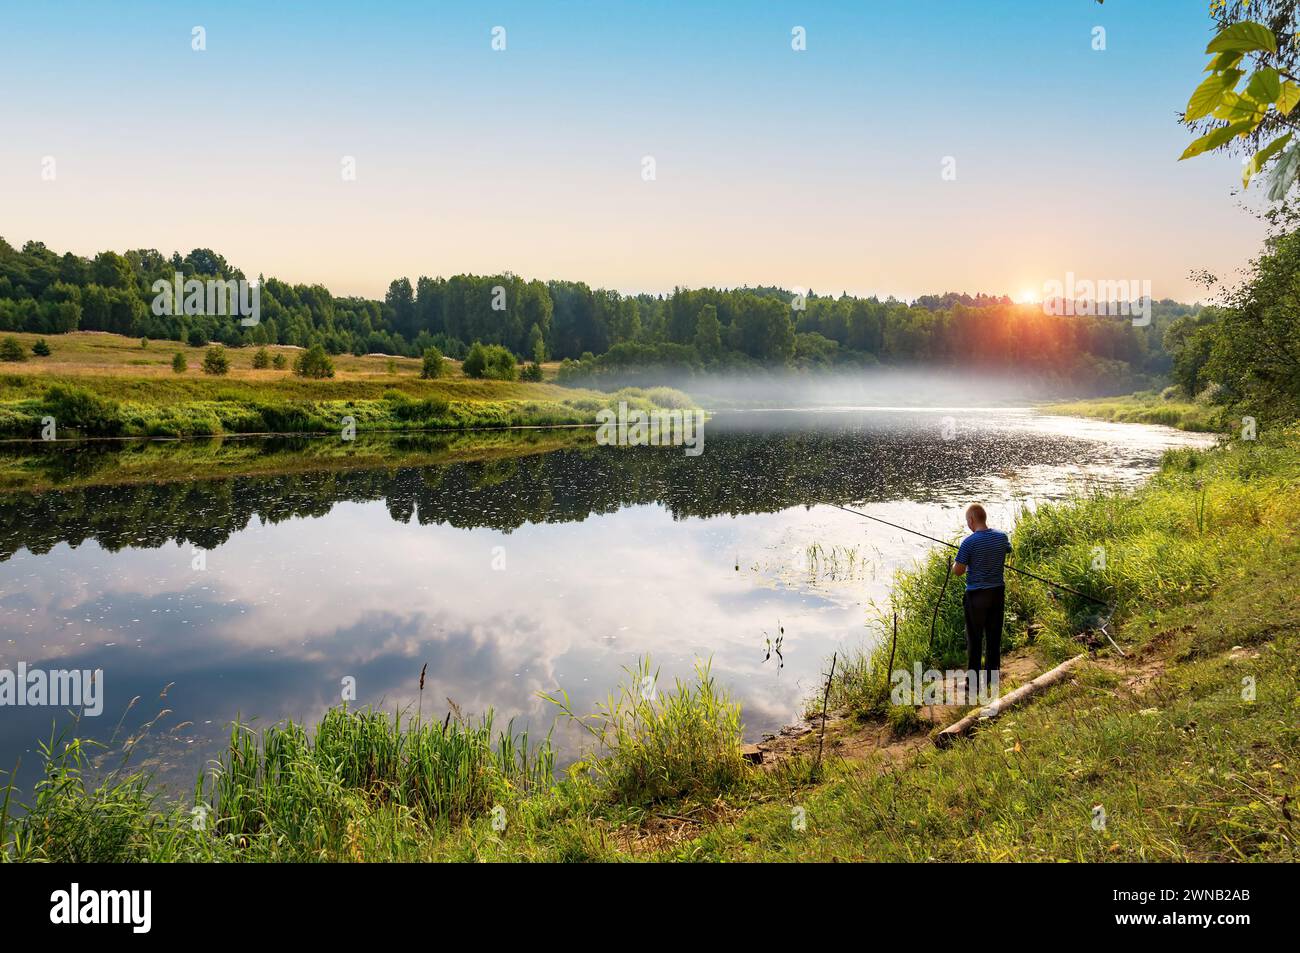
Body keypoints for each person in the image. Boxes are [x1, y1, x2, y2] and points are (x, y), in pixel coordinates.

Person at [952, 504, 1010, 691]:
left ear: (971, 520)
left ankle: (973, 682)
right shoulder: (1001, 537)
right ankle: (993, 679)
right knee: (994, 637)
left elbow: (958, 571)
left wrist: (955, 564)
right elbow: (1007, 550)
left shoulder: (968, 543)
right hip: (997, 594)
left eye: (967, 521)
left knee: (975, 639)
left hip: (976, 596)